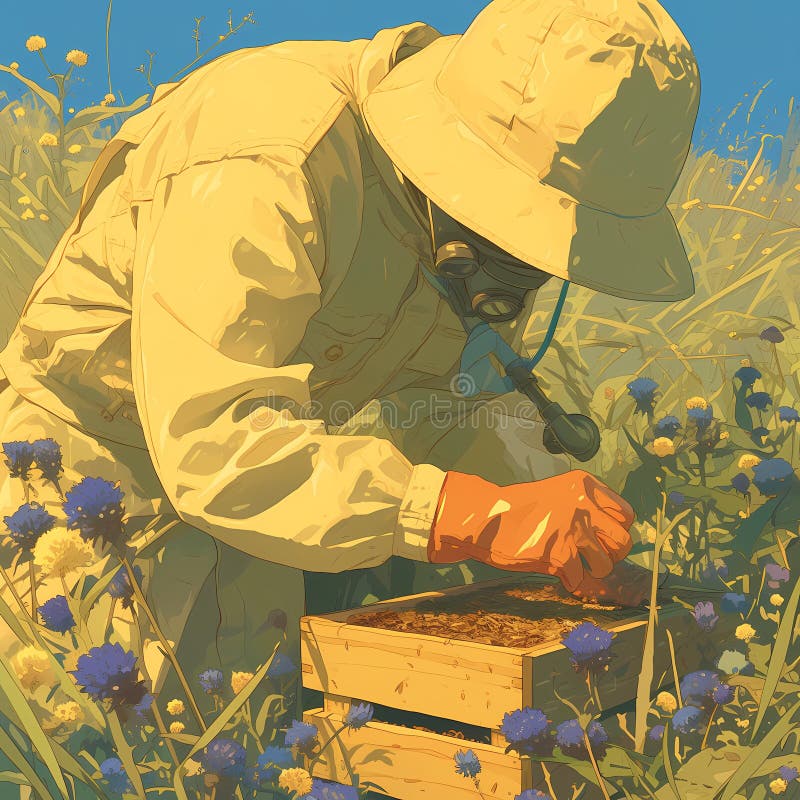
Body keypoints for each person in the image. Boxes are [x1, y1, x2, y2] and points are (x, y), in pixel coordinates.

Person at [0, 0, 698, 723]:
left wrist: (557, 524)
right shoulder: (263, 157)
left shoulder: (459, 234)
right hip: (81, 489)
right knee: (101, 745)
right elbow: (215, 440)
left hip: (270, 508)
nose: (520, 273)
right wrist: (467, 514)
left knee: (250, 741)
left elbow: (454, 399)